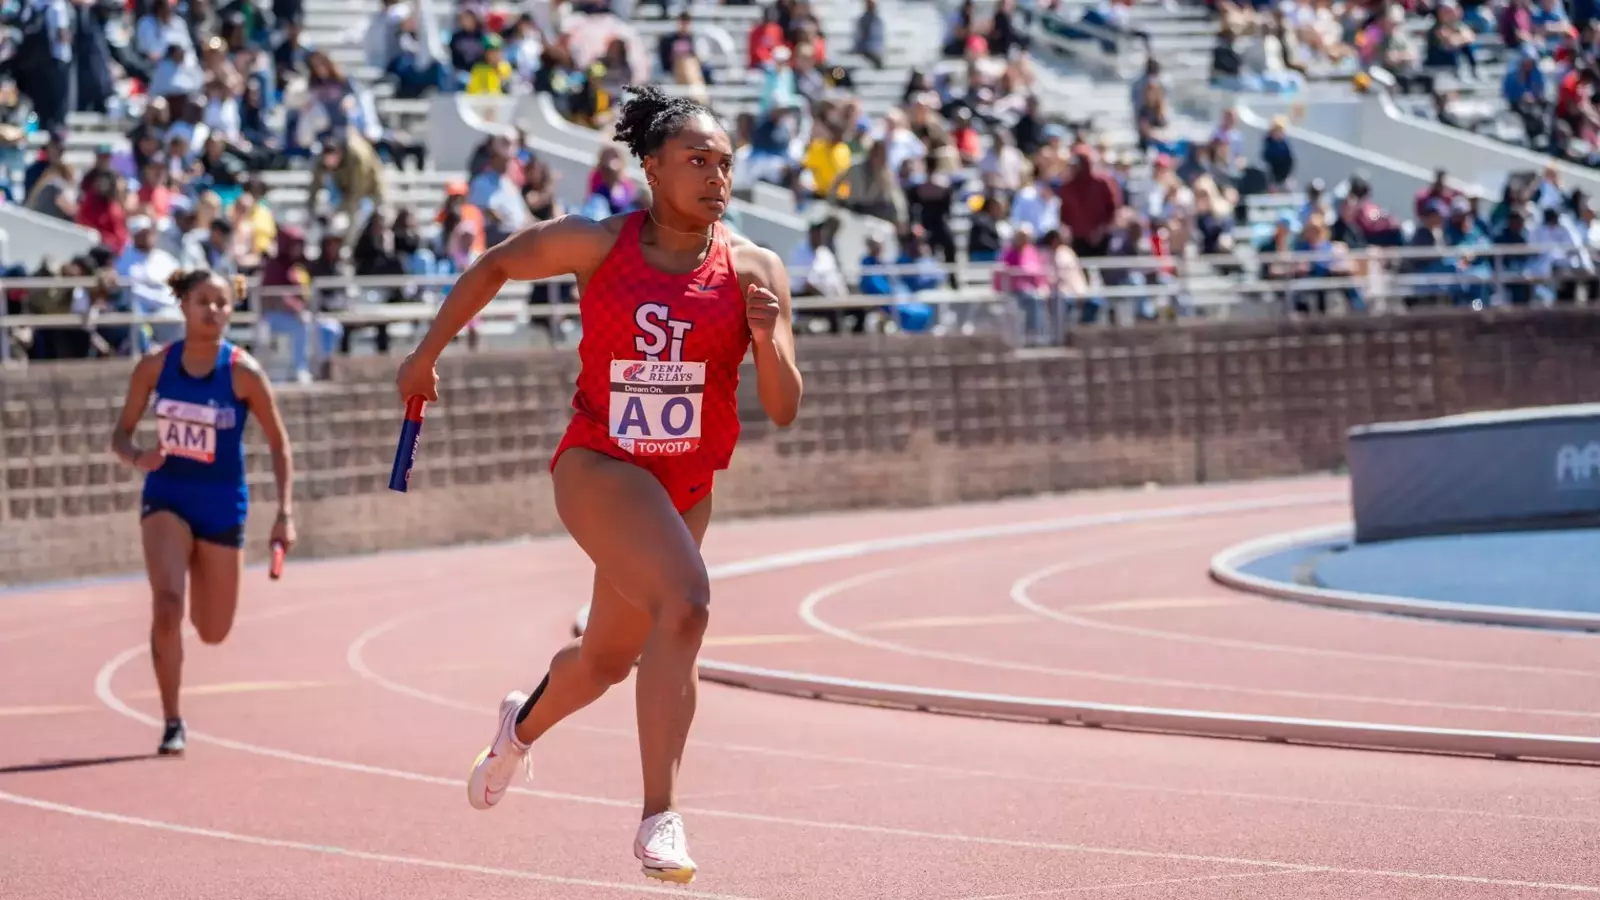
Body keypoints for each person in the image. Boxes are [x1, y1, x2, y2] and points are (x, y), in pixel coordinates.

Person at [394, 84, 804, 884]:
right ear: (651, 168)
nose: (716, 177)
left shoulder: (756, 268)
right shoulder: (597, 243)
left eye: (724, 164)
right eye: (696, 161)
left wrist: (767, 340)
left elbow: (783, 408)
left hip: (684, 486)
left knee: (609, 659)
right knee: (685, 606)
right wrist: (425, 354)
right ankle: (662, 819)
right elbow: (497, 265)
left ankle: (518, 728)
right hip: (600, 466)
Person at [110, 270, 297, 757]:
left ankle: (199, 564)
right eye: (202, 302)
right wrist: (137, 457)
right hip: (168, 496)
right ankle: (172, 720)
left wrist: (285, 513)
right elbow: (121, 434)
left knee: (213, 631)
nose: (212, 311)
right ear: (183, 306)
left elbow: (280, 446)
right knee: (167, 607)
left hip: (221, 506)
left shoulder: (243, 372)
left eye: (221, 303)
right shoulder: (155, 367)